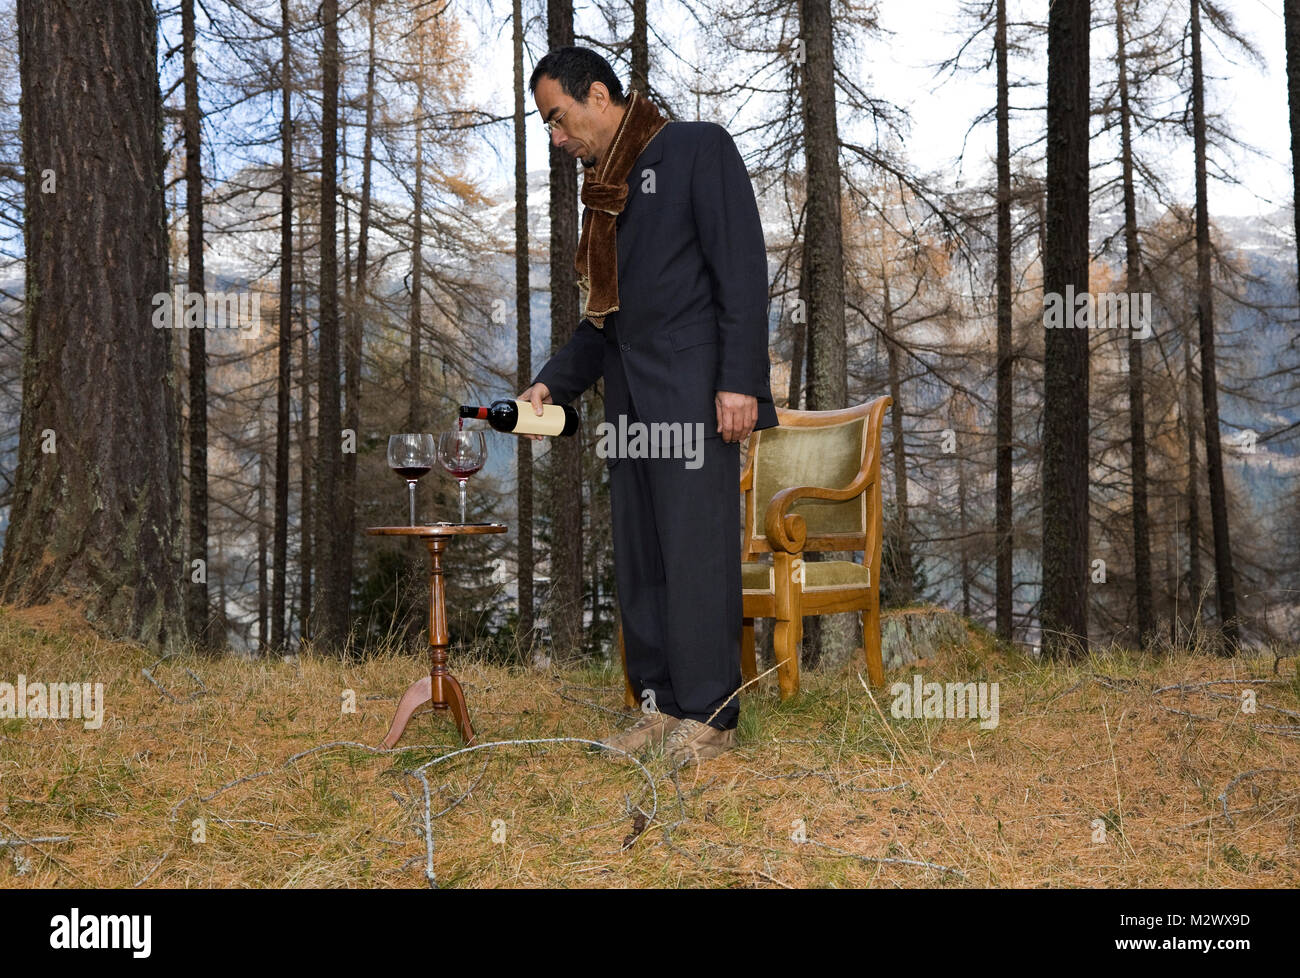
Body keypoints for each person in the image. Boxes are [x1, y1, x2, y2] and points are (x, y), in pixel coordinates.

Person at [519, 46, 777, 764]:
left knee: (696, 554)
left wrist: (740, 381)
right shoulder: (605, 192)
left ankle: (713, 718)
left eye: (558, 118)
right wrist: (553, 385)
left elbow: (743, 271)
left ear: (598, 95)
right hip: (629, 404)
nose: (555, 136)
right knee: (643, 559)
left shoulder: (698, 148)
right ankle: (660, 706)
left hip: (697, 393)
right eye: (548, 125)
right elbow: (605, 322)